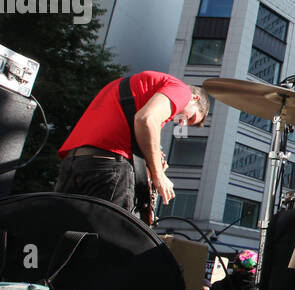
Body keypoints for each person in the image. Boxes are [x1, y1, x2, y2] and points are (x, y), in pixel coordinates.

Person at [55, 71, 208, 219]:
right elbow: (146, 119)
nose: (182, 122)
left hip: (73, 163)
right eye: (190, 117)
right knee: (110, 238)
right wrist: (158, 175)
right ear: (194, 98)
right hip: (107, 168)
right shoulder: (181, 90)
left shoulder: (131, 86)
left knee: (64, 231)